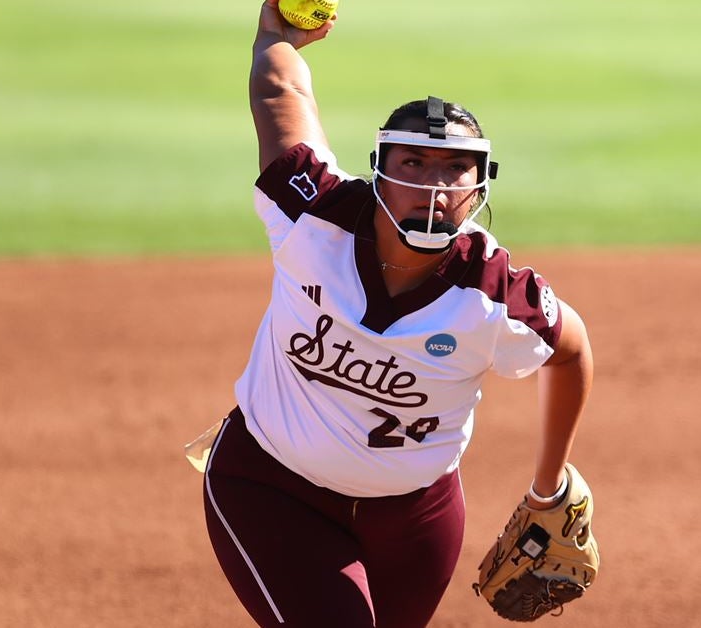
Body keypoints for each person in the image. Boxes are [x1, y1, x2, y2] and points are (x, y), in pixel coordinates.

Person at [199, 2, 594, 626]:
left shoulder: (497, 293)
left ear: (480, 184)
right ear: (380, 168)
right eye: (413, 164)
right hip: (270, 488)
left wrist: (549, 488)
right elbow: (280, 93)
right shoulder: (313, 215)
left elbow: (571, 350)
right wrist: (273, 38)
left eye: (454, 168)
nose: (434, 187)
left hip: (417, 519)